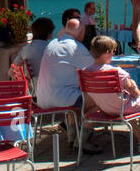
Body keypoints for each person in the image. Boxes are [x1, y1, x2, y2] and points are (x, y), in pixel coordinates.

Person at [36, 13, 100, 152]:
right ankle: (82, 140)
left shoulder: (52, 43)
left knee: (75, 97)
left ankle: (72, 137)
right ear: (81, 32)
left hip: (42, 97)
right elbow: (95, 68)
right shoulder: (76, 47)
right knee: (100, 100)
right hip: (61, 98)